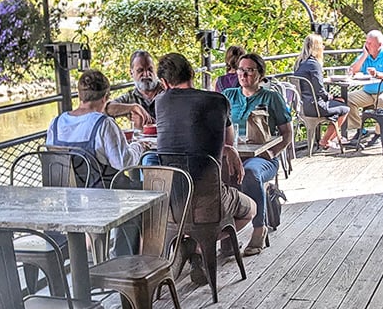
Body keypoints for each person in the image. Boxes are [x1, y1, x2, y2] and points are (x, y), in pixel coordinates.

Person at [153, 53, 256, 278]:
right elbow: (229, 140)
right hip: (209, 203)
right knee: (251, 209)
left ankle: (190, 245)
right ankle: (199, 247)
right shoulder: (218, 101)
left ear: (164, 83)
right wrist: (229, 149)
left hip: (172, 206)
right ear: (192, 73)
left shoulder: (160, 102)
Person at [46, 68, 145, 254]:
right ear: (106, 97)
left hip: (67, 199)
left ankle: (84, 251)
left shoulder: (56, 123)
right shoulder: (103, 124)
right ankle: (125, 257)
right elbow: (124, 163)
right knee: (144, 193)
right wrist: (139, 143)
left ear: (79, 95)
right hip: (103, 198)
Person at [223, 53, 293, 255]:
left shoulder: (271, 97)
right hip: (234, 156)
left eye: (249, 70)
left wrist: (273, 151)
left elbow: (287, 133)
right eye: (241, 70)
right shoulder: (228, 96)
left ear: (260, 74)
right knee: (216, 175)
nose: (244, 74)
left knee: (251, 174)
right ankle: (226, 233)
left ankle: (259, 228)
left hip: (262, 158)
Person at [293, 33, 350, 151]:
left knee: (338, 105)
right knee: (344, 108)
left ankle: (331, 138)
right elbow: (319, 90)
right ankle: (326, 140)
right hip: (315, 107)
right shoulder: (314, 64)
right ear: (317, 47)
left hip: (301, 106)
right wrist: (331, 96)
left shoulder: (299, 63)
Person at [346, 30, 383, 146]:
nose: (367, 45)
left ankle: (380, 134)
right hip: (368, 91)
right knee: (347, 98)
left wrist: (377, 74)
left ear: (379, 45)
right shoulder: (366, 56)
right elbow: (352, 70)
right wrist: (364, 56)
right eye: (366, 42)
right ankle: (360, 130)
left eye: (370, 43)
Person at [105, 50, 164, 126]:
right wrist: (134, 107)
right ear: (131, 73)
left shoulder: (166, 90)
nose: (146, 74)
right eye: (140, 70)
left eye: (150, 69)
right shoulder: (130, 97)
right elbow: (107, 108)